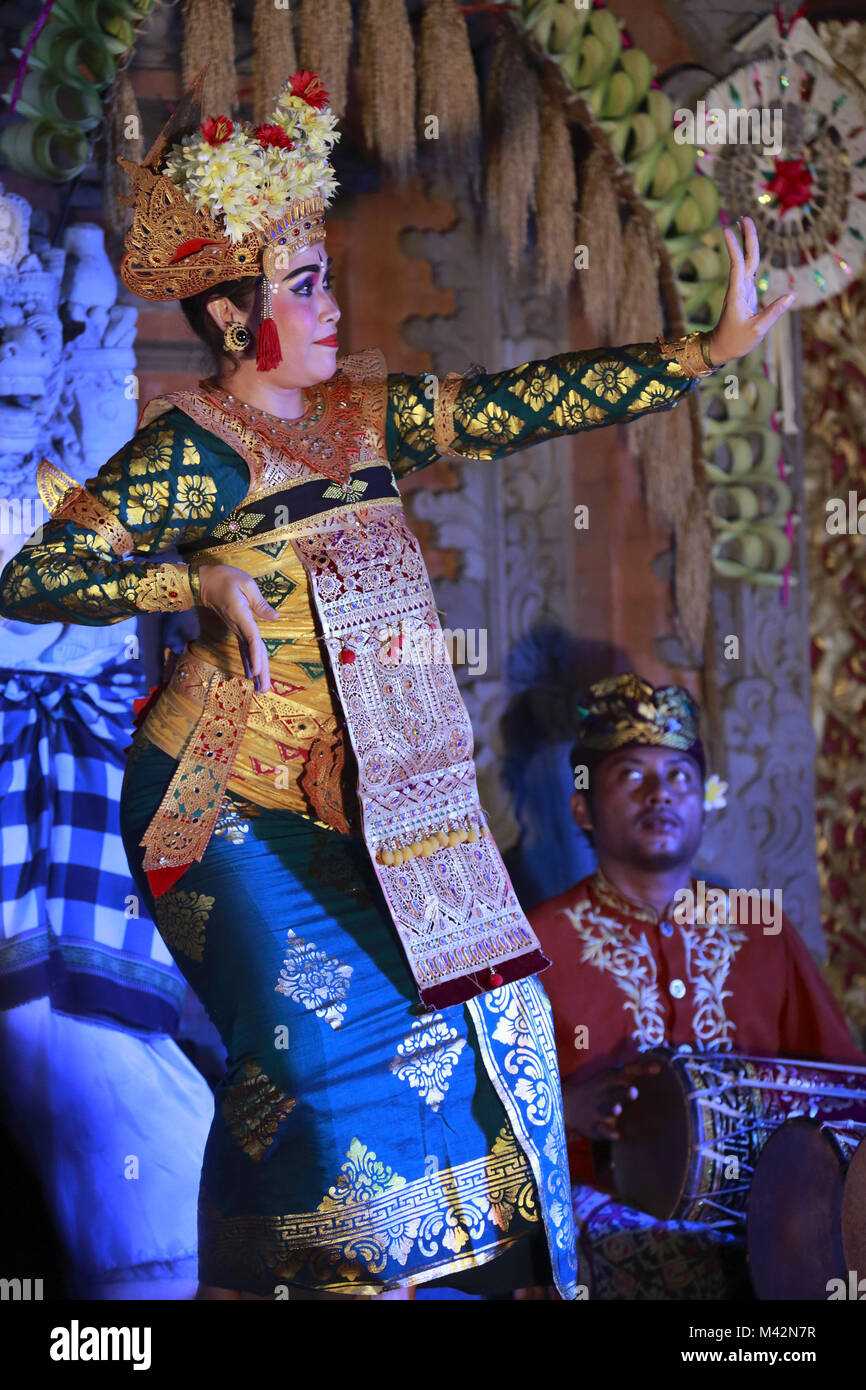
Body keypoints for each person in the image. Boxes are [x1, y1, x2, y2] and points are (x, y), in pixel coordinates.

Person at [0, 66, 795, 1301]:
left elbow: (517, 404)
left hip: (363, 806)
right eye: (304, 283)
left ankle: (301, 1283)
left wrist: (705, 350)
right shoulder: (192, 449)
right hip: (213, 805)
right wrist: (192, 592)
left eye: (325, 275)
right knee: (314, 1058)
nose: (332, 301)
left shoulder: (361, 419)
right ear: (230, 318)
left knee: (473, 1036)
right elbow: (39, 575)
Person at [529, 673, 864, 1298]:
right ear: (582, 806)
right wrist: (567, 1108)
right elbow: (466, 1121)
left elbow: (842, 1091)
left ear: (703, 803)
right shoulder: (532, 945)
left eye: (680, 777)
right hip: (598, 1241)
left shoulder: (761, 929)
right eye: (632, 775)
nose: (661, 793)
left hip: (775, 1229)